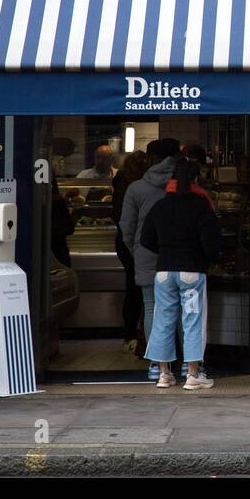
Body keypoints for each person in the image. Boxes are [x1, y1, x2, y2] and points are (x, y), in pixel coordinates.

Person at [142, 158, 221, 391]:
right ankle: (193, 374)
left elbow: (145, 239)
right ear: (196, 179)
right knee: (193, 321)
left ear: (172, 179)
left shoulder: (160, 205)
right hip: (192, 271)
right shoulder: (200, 205)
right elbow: (212, 244)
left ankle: (164, 374)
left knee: (162, 320)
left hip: (164, 271)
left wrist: (166, 251)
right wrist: (205, 257)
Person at [120, 137, 181, 381]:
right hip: (176, 253)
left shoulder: (136, 188)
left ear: (153, 158)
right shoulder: (183, 186)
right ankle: (185, 364)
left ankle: (156, 364)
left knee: (151, 307)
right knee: (180, 309)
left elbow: (126, 226)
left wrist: (136, 250)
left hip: (145, 253)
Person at [112, 150, 149, 353]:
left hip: (125, 242)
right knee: (140, 291)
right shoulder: (137, 187)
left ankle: (130, 334)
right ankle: (136, 336)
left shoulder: (121, 182)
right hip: (136, 242)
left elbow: (118, 216)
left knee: (132, 288)